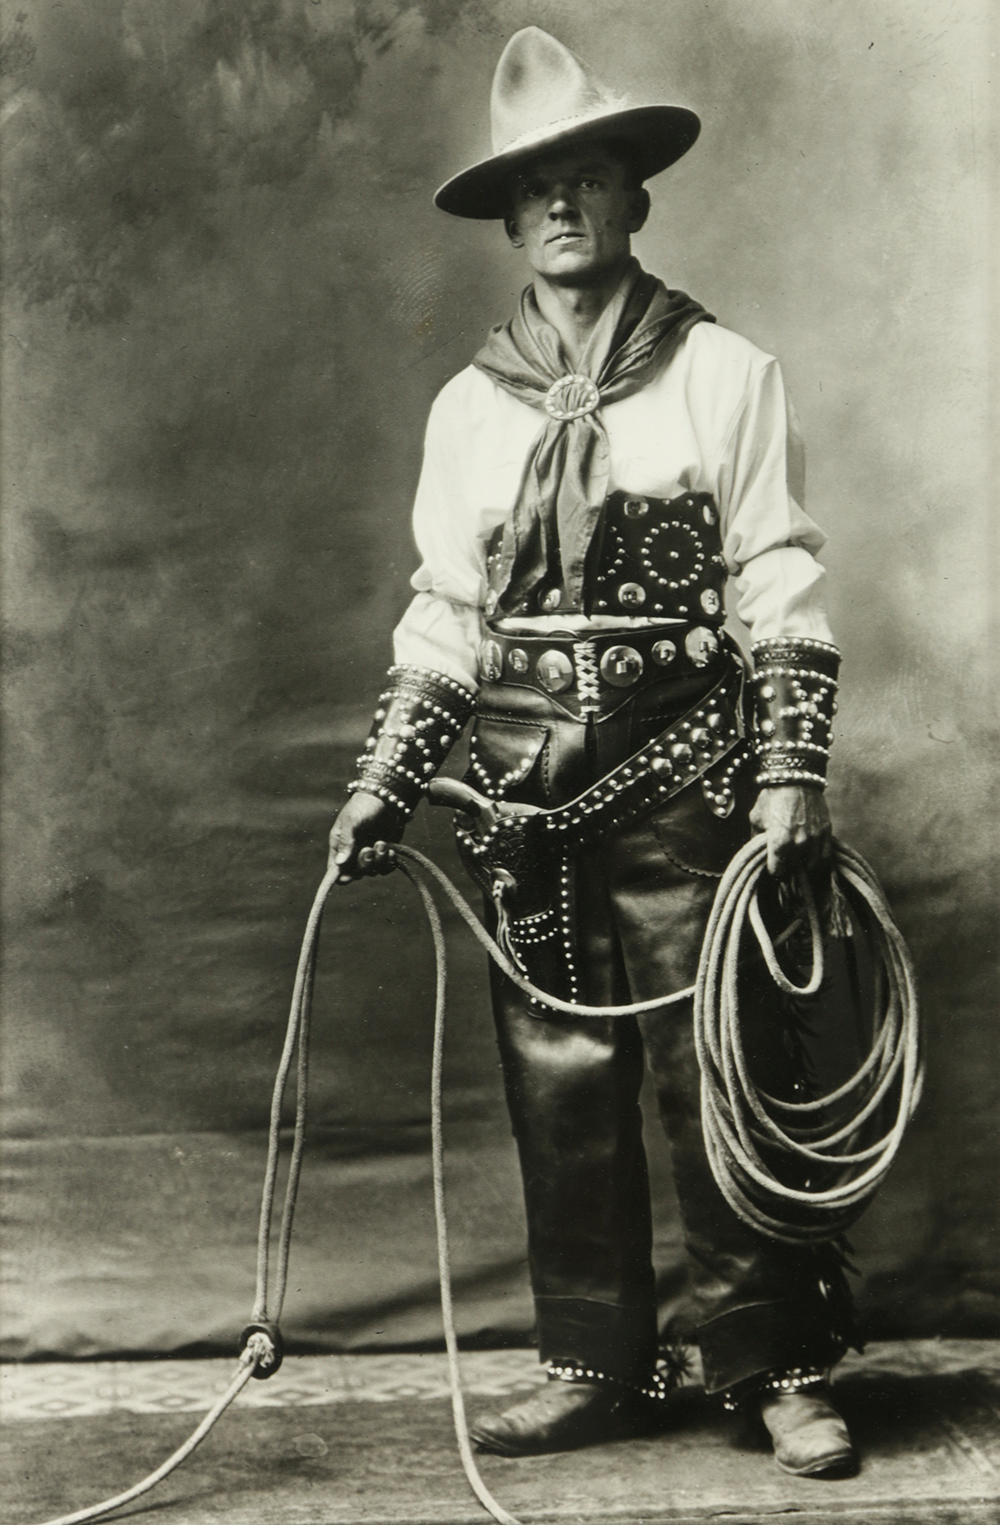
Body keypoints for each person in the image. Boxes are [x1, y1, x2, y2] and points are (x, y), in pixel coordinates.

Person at [328, 27, 856, 1478]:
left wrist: (790, 769)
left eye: (594, 175)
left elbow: (779, 583)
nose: (566, 204)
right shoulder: (467, 409)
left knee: (720, 1066)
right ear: (509, 217)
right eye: (540, 185)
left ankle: (776, 1366)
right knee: (561, 1081)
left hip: (686, 779)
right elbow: (443, 613)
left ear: (636, 201)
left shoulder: (726, 374)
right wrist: (384, 780)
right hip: (520, 796)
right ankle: (596, 1365)